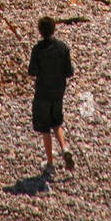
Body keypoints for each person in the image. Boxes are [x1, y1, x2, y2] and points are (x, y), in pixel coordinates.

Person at [28, 16, 75, 176]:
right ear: (54, 29)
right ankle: (64, 148)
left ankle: (50, 163)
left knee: (45, 128)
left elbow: (32, 72)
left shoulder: (37, 49)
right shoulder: (63, 48)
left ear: (40, 31)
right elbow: (69, 72)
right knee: (57, 122)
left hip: (42, 93)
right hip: (58, 92)